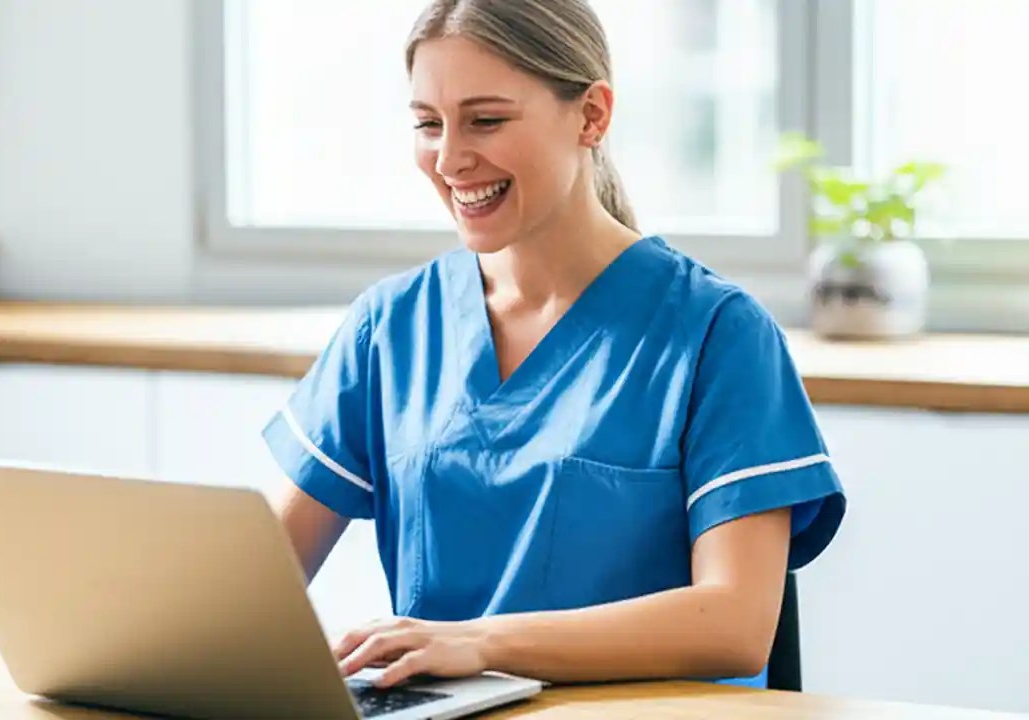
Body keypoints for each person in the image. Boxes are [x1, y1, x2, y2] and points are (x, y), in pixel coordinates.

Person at [261, 0, 845, 691]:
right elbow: (258, 584)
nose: (449, 158)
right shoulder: (391, 326)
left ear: (592, 115)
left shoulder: (717, 335)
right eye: (428, 124)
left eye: (486, 120)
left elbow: (736, 623)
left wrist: (480, 643)